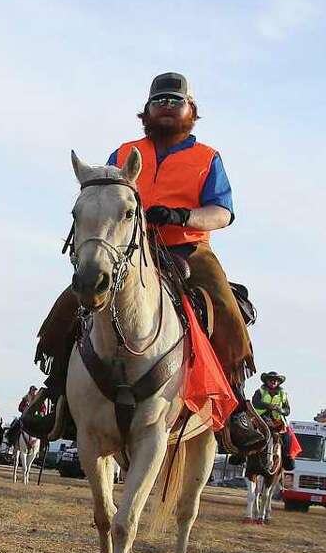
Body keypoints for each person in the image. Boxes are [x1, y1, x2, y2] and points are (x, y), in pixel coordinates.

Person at [29, 73, 251, 440]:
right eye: (159, 101)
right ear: (146, 110)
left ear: (191, 110)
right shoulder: (123, 152)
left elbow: (223, 212)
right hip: (126, 248)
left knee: (226, 309)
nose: (166, 107)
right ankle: (55, 392)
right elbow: (103, 197)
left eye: (175, 101)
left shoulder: (207, 158)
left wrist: (182, 216)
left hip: (188, 248)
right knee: (71, 302)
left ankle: (236, 406)